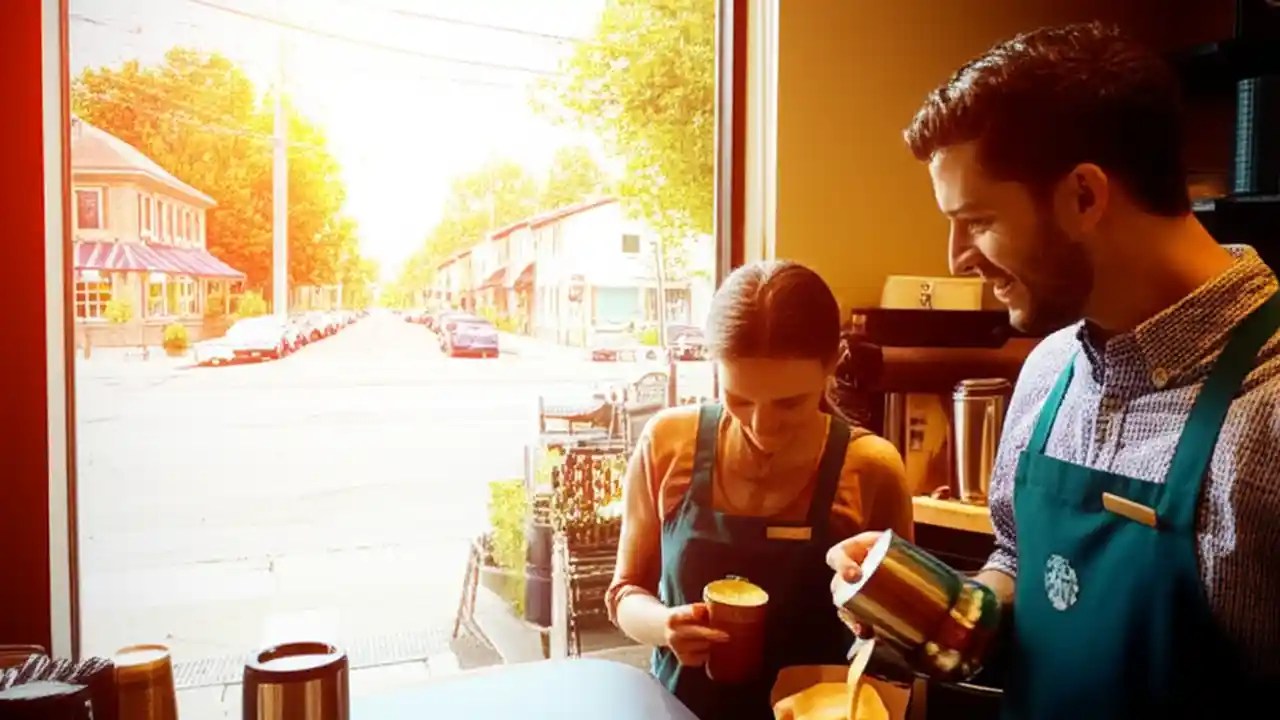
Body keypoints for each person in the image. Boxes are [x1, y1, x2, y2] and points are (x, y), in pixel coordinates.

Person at [826, 22, 1280, 718]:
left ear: (1085, 197)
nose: (956, 258)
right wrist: (922, 602)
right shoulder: (1049, 369)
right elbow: (1019, 563)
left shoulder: (1268, 413)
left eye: (976, 220)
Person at [606, 260, 913, 719]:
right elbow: (625, 591)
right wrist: (665, 626)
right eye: (740, 398)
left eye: (789, 403)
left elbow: (902, 635)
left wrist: (869, 608)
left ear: (833, 363)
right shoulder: (667, 444)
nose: (761, 426)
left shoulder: (871, 468)